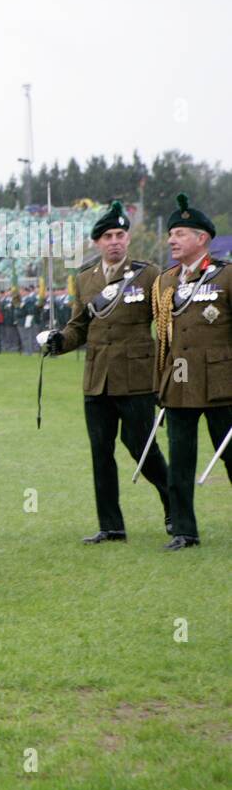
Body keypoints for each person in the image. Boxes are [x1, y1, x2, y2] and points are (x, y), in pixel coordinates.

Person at [42, 200, 169, 543]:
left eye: (120, 235)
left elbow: (167, 323)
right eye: (109, 236)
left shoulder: (148, 274)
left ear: (127, 239)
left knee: (142, 448)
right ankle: (111, 526)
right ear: (97, 242)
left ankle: (175, 507)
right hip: (97, 380)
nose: (115, 241)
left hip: (136, 378)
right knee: (101, 453)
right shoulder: (85, 278)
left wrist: (166, 373)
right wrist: (58, 342)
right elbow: (78, 327)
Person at [152, 194, 232, 550]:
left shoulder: (226, 276)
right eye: (171, 233)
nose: (172, 239)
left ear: (202, 239)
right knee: (180, 461)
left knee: (230, 454)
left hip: (221, 383)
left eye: (180, 233)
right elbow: (165, 336)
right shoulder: (166, 283)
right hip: (180, 379)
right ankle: (184, 530)